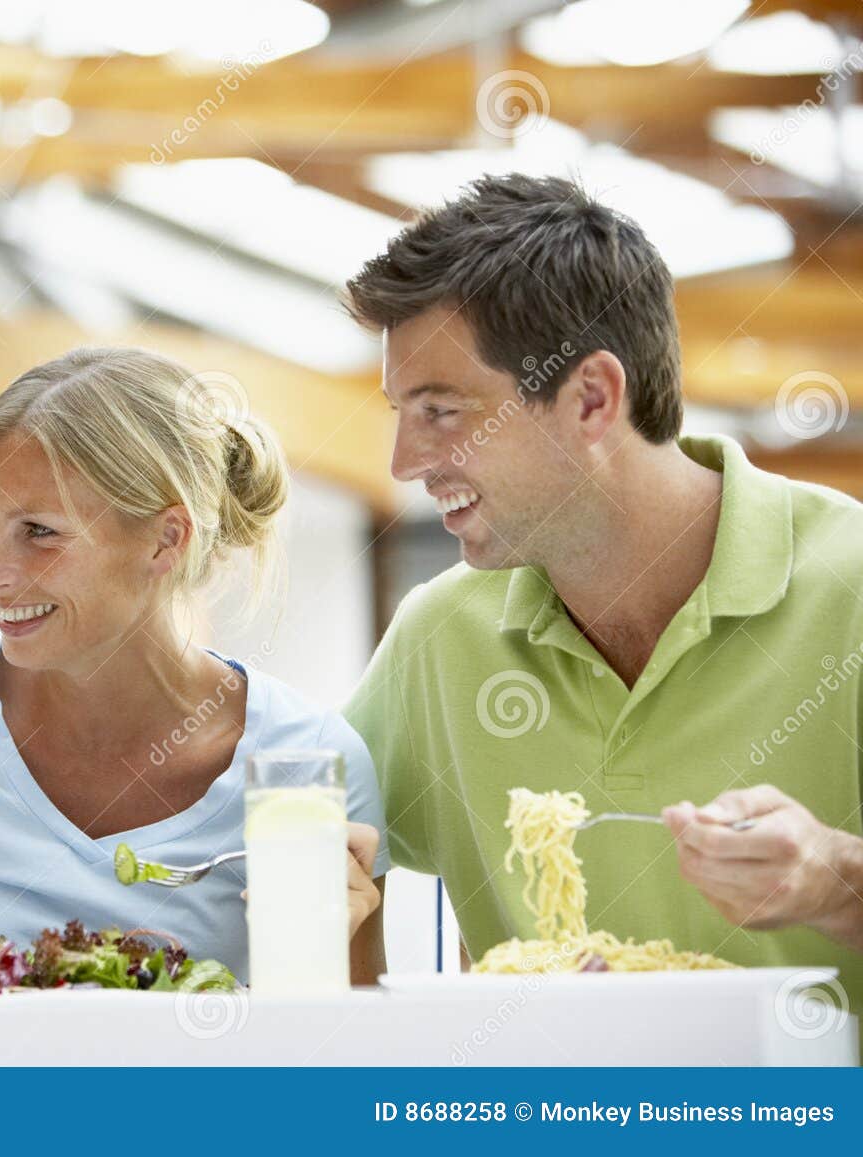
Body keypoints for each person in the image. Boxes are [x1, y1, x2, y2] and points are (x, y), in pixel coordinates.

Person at [342, 174, 863, 998]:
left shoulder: (852, 584)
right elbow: (316, 839)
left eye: (440, 411)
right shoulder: (440, 636)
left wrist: (837, 881)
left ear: (590, 398)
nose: (404, 463)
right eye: (400, 412)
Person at [0, 348, 387, 990]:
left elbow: (342, 1049)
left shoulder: (307, 762)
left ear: (167, 539)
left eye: (39, 531)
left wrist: (318, 957)